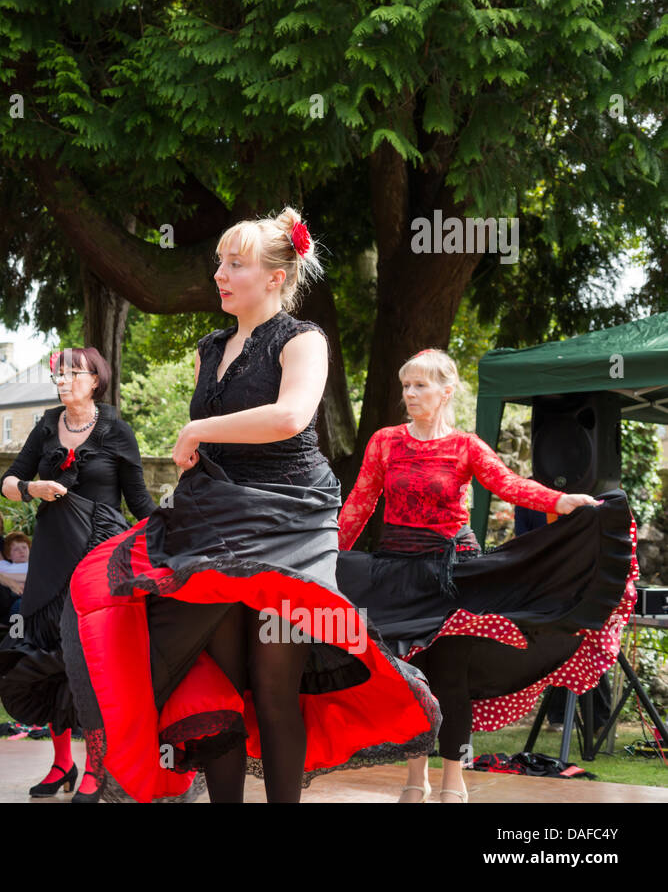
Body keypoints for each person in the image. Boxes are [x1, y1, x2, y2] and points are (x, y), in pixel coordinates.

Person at [63, 208, 441, 804]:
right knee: (223, 687)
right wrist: (198, 448)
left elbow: (292, 417)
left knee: (273, 683)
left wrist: (199, 431)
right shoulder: (209, 347)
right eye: (219, 262)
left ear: (273, 278)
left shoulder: (303, 340)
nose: (219, 273)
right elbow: (218, 435)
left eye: (235, 263)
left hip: (287, 522)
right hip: (216, 523)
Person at [335, 348, 635, 803]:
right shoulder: (384, 441)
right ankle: (415, 779)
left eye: (420, 386)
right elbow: (359, 503)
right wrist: (323, 558)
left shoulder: (465, 446)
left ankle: (453, 781)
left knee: (450, 676)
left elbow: (509, 484)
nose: (409, 395)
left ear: (445, 392)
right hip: (397, 574)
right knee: (412, 678)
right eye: (405, 386)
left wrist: (561, 501)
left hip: (455, 575)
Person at [0, 345, 156, 802]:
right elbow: (8, 481)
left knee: (91, 662)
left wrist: (169, 536)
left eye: (72, 374)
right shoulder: (46, 425)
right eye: (58, 374)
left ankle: (97, 768)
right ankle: (62, 762)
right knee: (46, 653)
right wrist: (31, 488)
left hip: (99, 556)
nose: (62, 381)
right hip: (50, 558)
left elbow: (139, 502)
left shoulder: (117, 431)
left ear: (95, 379)